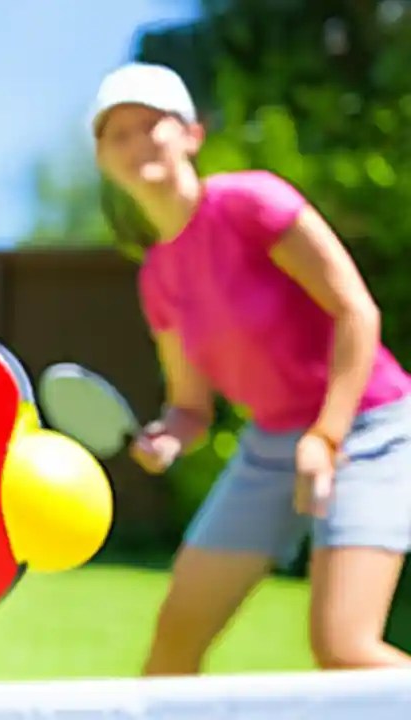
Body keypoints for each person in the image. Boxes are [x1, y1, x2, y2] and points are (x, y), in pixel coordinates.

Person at [91, 62, 411, 673]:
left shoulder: (251, 202)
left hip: (371, 426)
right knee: (172, 649)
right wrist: (167, 438)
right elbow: (192, 407)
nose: (135, 143)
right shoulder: (158, 277)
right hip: (271, 445)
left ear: (191, 134)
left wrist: (327, 435)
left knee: (344, 650)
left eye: (149, 124)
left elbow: (356, 314)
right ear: (103, 157)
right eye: (117, 134)